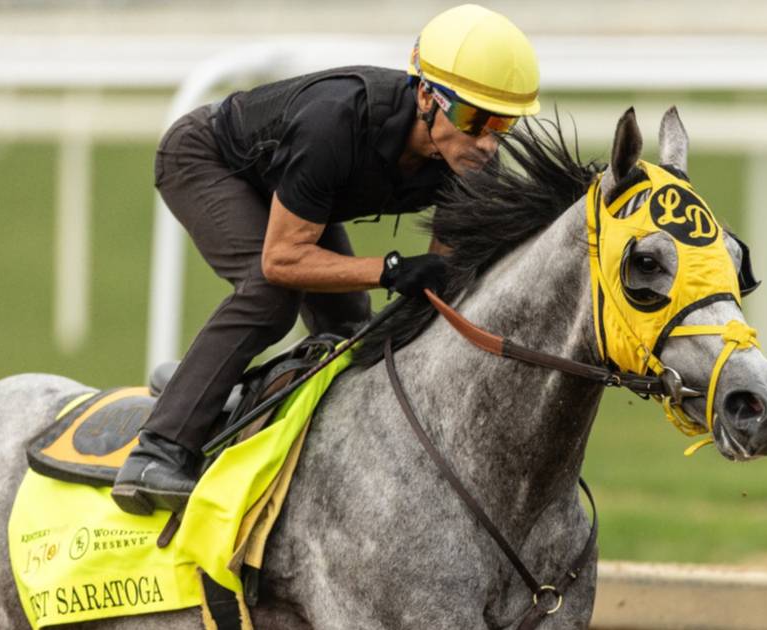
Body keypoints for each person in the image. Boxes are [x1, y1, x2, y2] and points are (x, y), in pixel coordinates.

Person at [111, 3, 541, 516]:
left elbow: (434, 289)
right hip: (204, 160)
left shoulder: (472, 166)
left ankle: (213, 387)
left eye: (503, 124)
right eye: (474, 120)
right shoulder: (336, 121)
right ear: (427, 95)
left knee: (351, 328)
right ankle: (156, 450)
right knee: (271, 294)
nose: (488, 144)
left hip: (298, 187)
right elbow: (282, 260)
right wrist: (392, 269)